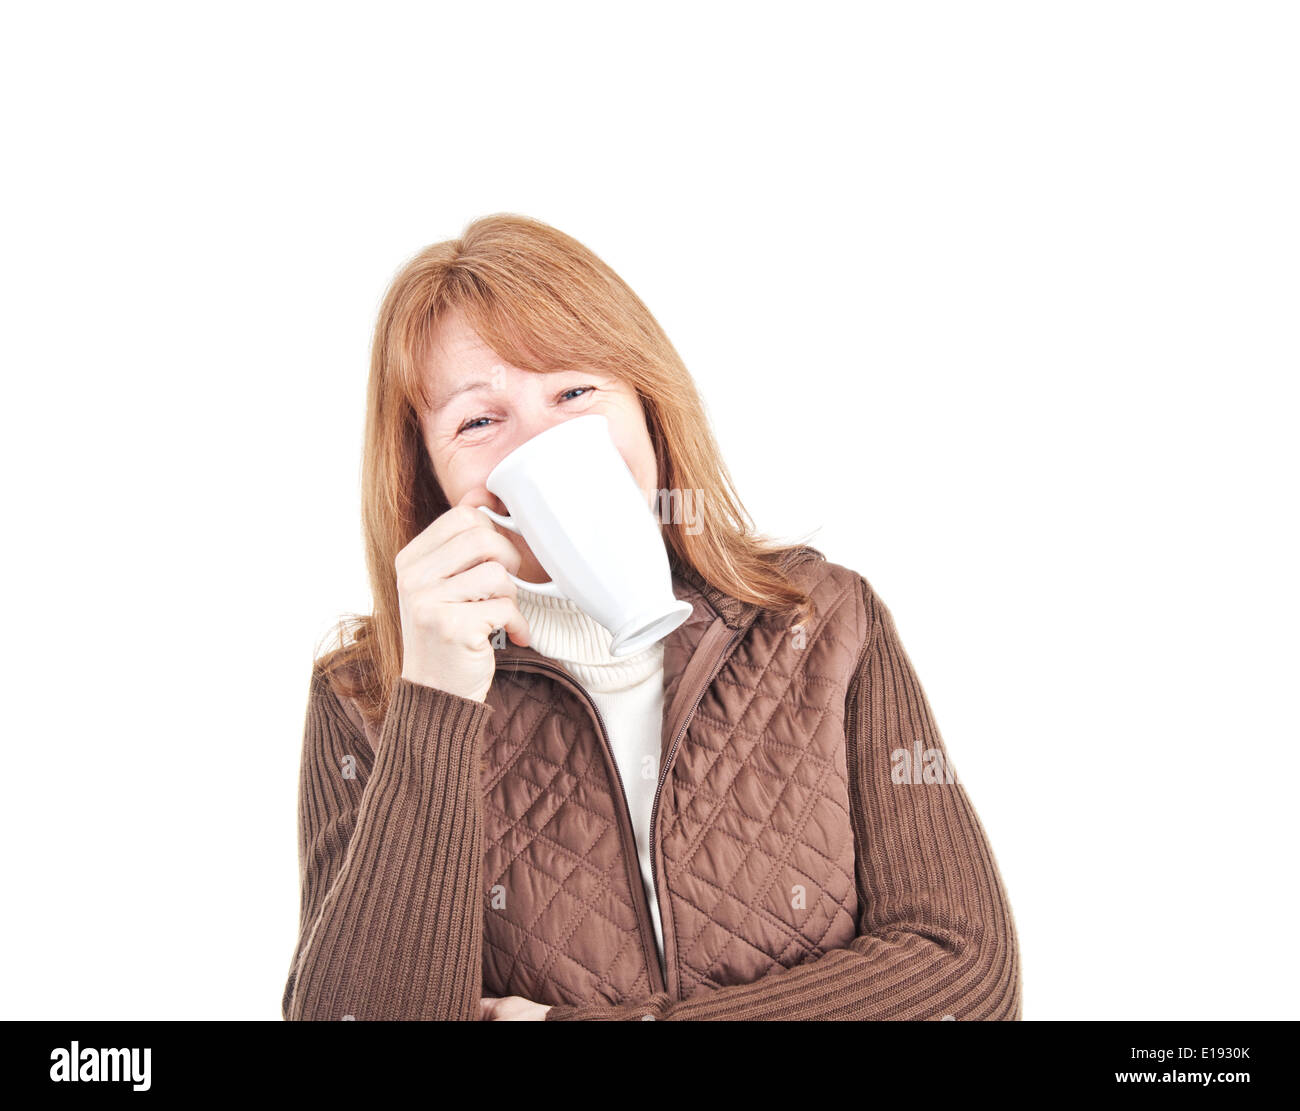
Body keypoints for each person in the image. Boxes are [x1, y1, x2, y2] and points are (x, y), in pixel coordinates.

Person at [280, 213, 1022, 1021]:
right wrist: (436, 700)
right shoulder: (370, 697)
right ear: (429, 477)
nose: (546, 441)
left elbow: (966, 976)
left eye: (573, 391)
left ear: (646, 410)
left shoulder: (823, 621)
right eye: (478, 421)